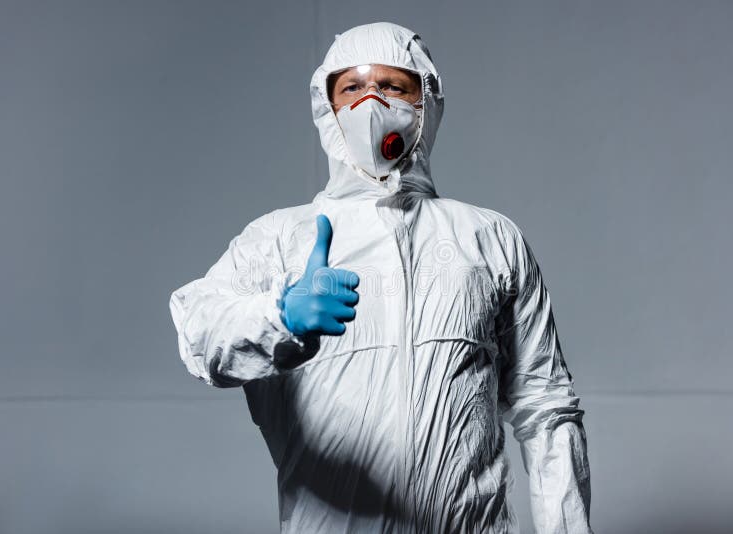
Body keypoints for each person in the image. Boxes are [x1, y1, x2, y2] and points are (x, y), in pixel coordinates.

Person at [169, 21, 593, 534]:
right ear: (328, 108)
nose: (371, 102)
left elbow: (546, 408)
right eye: (351, 88)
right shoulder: (284, 238)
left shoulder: (489, 238)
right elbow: (198, 330)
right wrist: (279, 317)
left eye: (393, 86)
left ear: (426, 102)